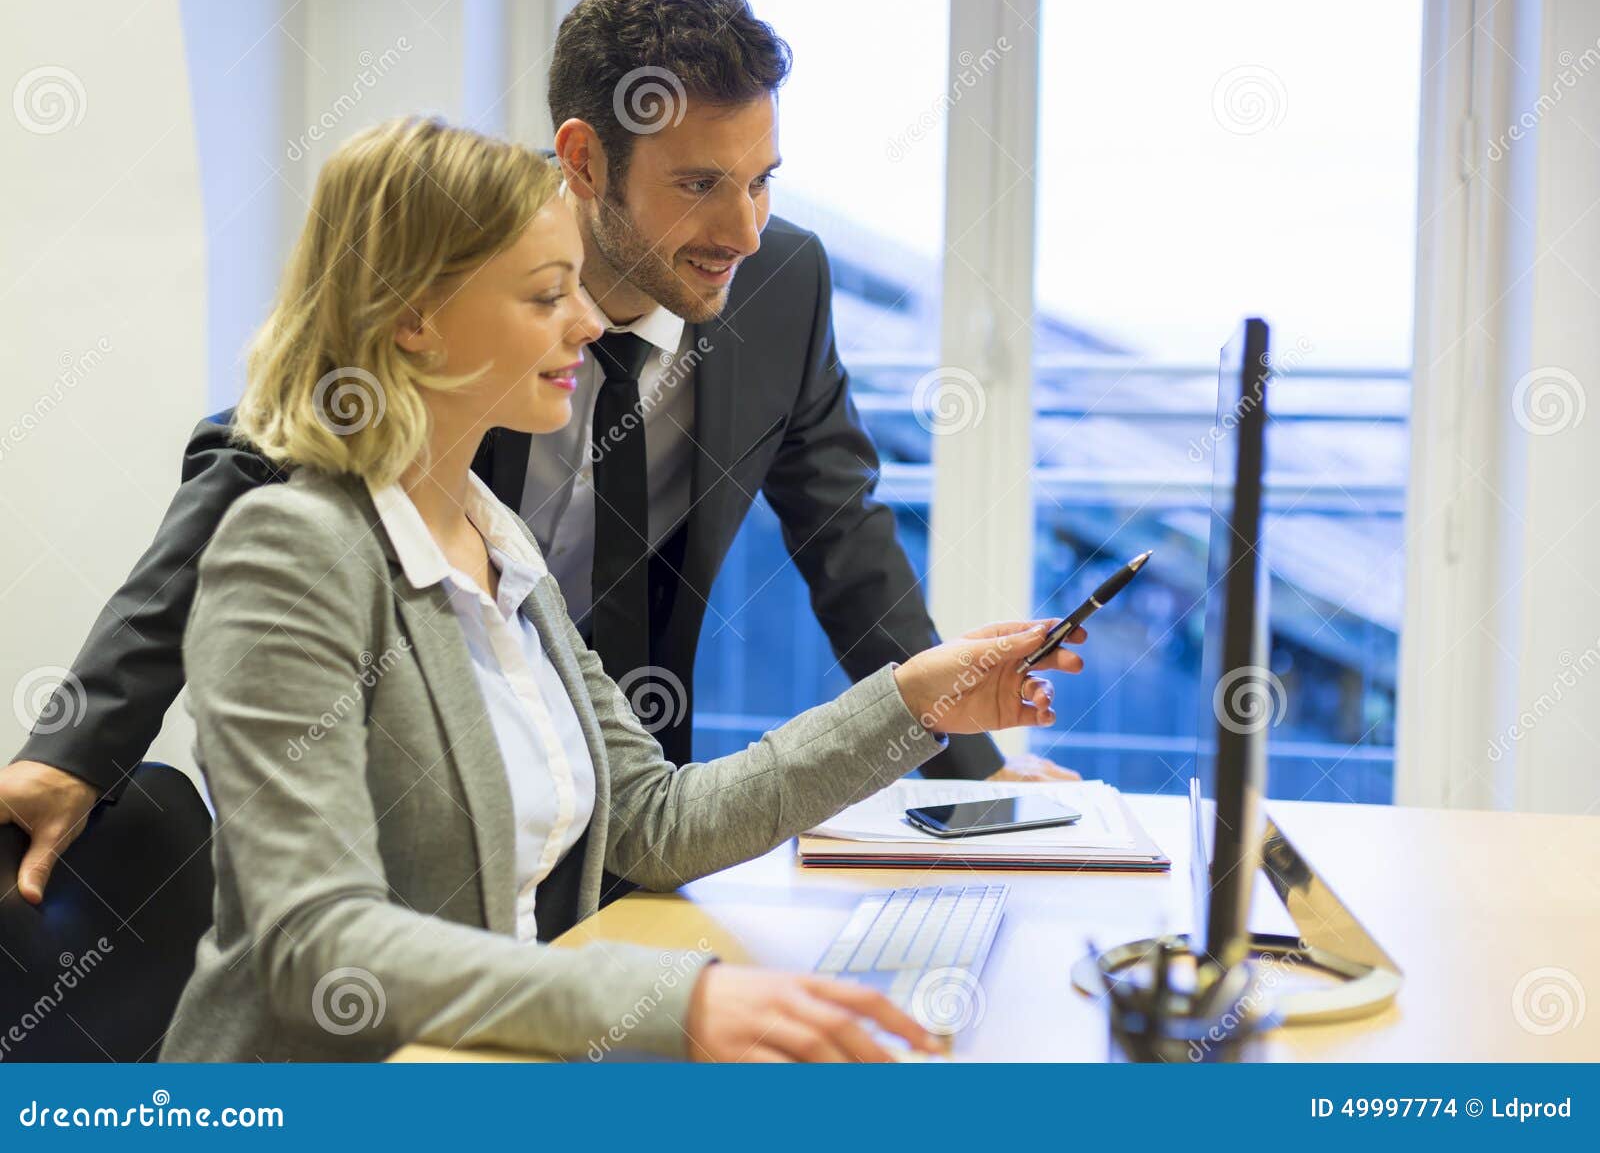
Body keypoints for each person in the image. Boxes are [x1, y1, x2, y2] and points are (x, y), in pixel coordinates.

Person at [0, 0, 1077, 907]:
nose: (743, 230)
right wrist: (77, 741)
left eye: (763, 181)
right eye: (699, 183)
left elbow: (843, 532)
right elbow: (260, 454)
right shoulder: (472, 253)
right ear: (583, 159)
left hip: (618, 773)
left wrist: (969, 758)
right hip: (417, 807)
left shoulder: (780, 283)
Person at [158, 117, 1082, 1062]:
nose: (592, 323)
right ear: (413, 317)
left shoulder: (495, 537)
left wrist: (913, 700)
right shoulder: (294, 555)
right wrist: (670, 998)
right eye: (546, 294)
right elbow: (319, 942)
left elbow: (656, 821)